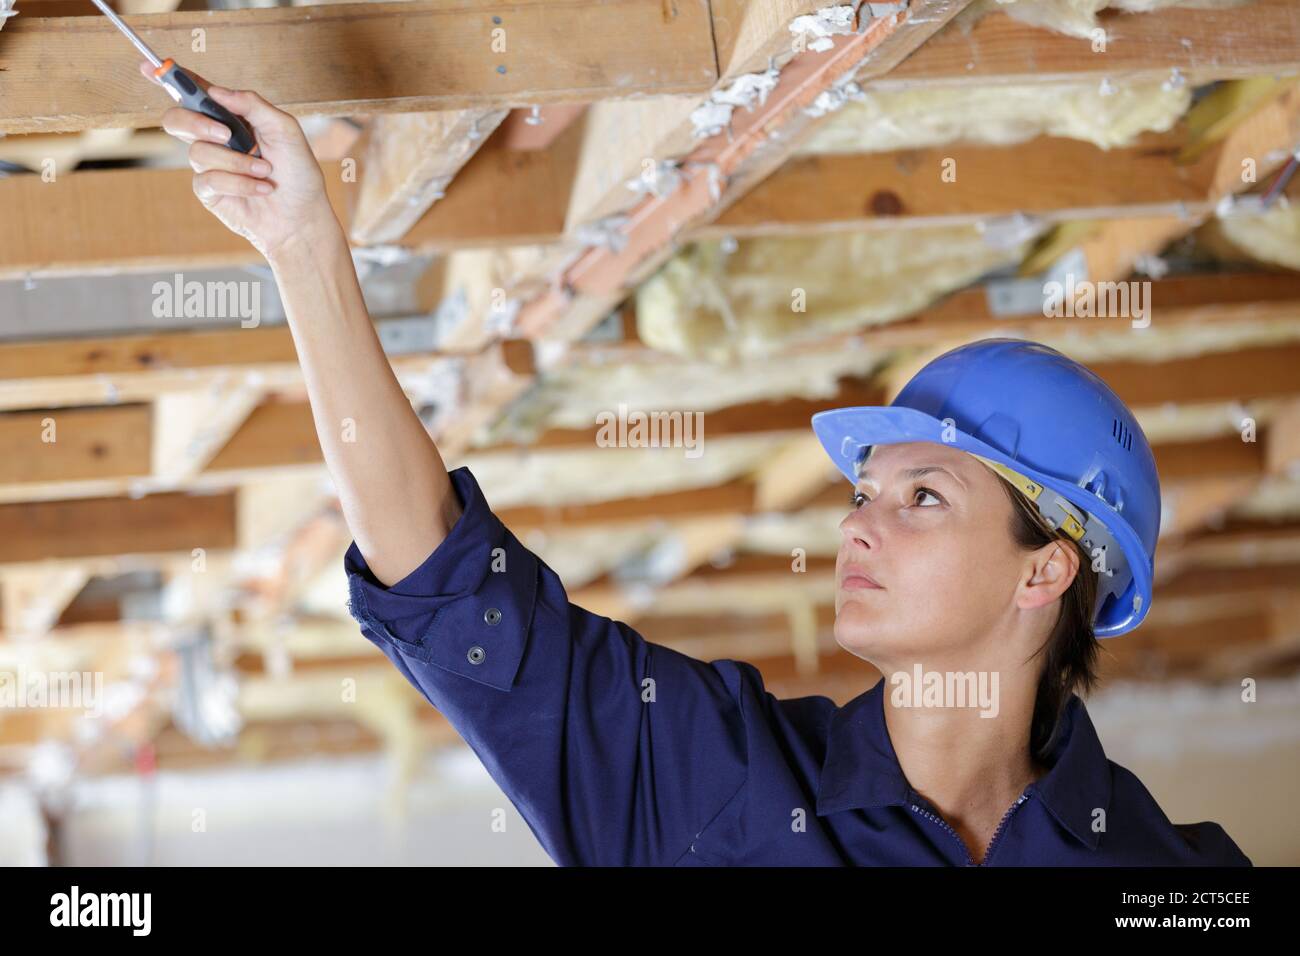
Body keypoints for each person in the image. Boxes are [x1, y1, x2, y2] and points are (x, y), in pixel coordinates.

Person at [148, 71, 1252, 867]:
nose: (857, 527)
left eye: (922, 497)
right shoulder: (707, 781)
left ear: (1043, 573)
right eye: (863, 494)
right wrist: (300, 245)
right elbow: (440, 579)